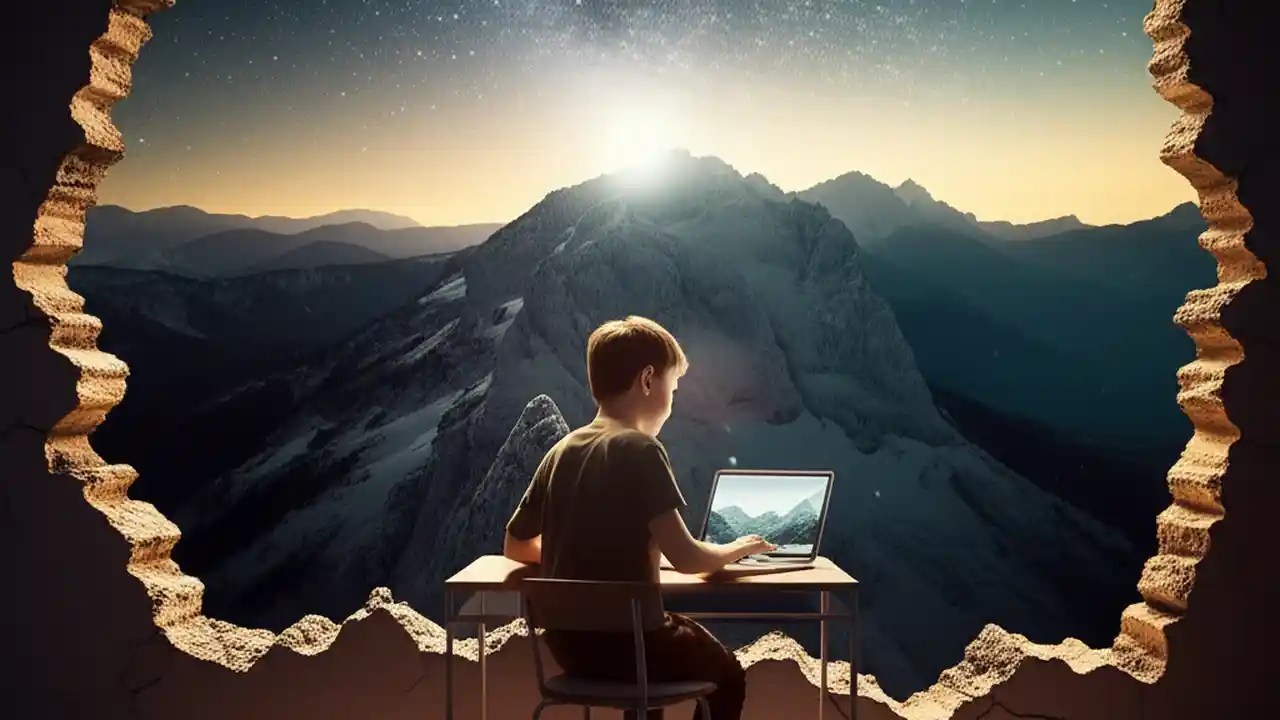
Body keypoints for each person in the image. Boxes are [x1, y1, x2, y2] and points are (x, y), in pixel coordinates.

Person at [504, 315, 776, 720]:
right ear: (648, 380)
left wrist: (581, 561)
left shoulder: (560, 451)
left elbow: (516, 545)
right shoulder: (642, 450)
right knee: (727, 675)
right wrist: (737, 548)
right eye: (673, 386)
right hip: (634, 649)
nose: (672, 398)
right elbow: (687, 559)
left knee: (648, 668)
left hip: (569, 649)